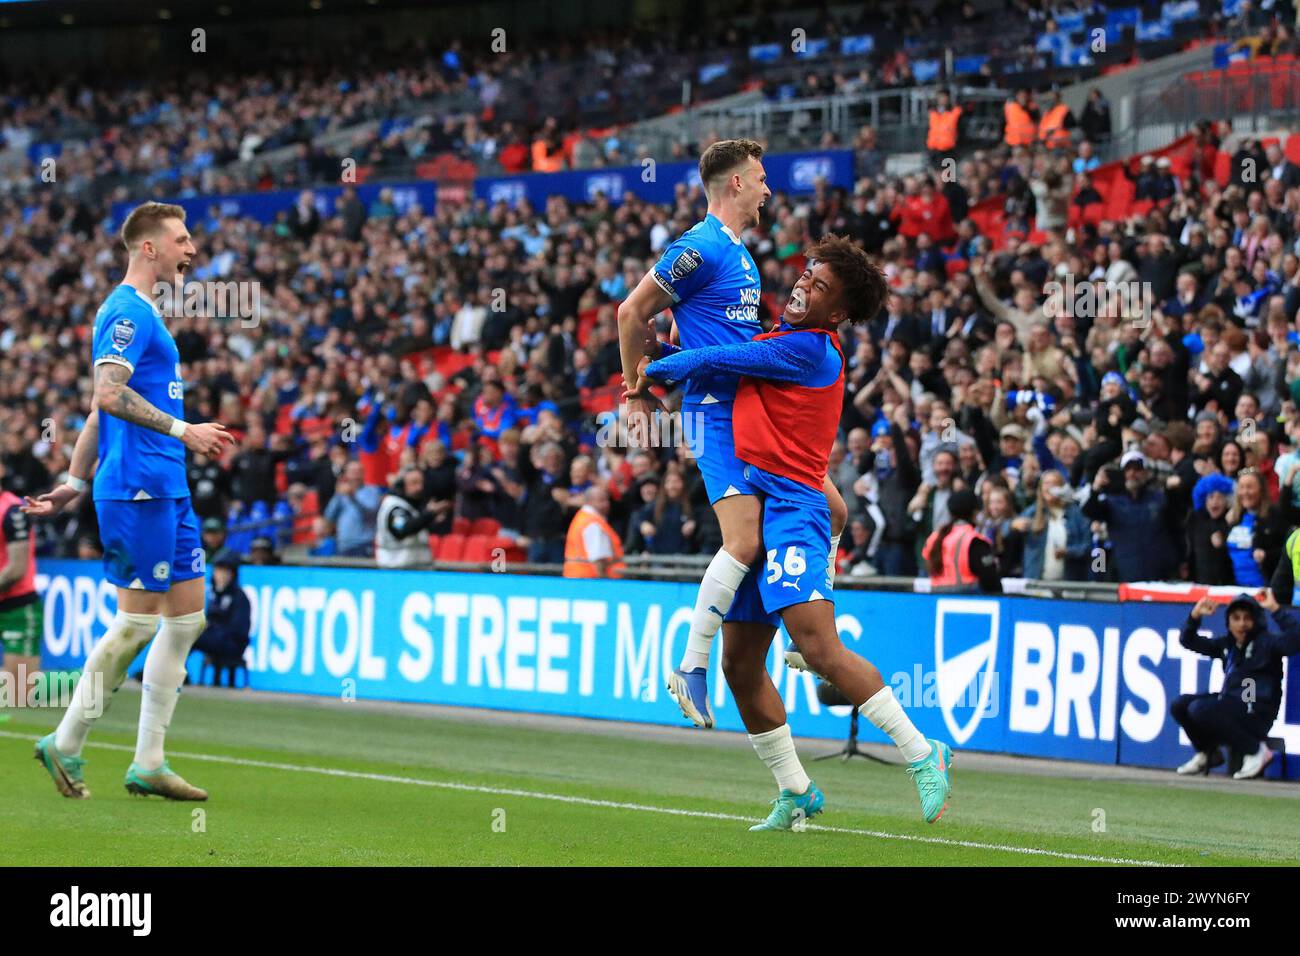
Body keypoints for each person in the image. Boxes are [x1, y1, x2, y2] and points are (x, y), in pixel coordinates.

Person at [640, 235, 953, 828]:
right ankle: (797, 790)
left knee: (819, 650)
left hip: (792, 511)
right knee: (743, 665)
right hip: (772, 500)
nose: (804, 285)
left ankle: (922, 752)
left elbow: (712, 361)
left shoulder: (810, 349)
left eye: (820, 285)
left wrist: (652, 367)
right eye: (807, 273)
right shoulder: (782, 338)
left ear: (837, 312)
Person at [617, 139, 847, 729]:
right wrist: (637, 393)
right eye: (762, 178)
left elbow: (704, 334)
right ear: (737, 184)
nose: (770, 189)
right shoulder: (699, 246)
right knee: (743, 541)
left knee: (834, 507)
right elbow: (630, 312)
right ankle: (692, 665)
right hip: (715, 408)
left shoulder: (740, 253)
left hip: (752, 407)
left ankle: (810, 628)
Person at [23, 201, 237, 800]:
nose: (191, 249)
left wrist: (72, 480)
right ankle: (64, 742)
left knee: (188, 619)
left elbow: (98, 410)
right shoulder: (123, 310)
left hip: (167, 486)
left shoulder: (149, 314)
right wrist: (183, 430)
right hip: (138, 487)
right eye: (182, 238)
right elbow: (109, 394)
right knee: (136, 624)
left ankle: (149, 760)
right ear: (150, 248)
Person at [1172, 590, 1300, 779]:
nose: (1242, 624)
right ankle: (1207, 752)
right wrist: (1195, 615)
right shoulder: (1228, 646)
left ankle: (1256, 750)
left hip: (1256, 708)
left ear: (1256, 620)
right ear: (1229, 622)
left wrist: (1275, 609)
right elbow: (1187, 640)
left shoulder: (1266, 643)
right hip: (1231, 705)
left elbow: (1296, 639)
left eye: (1247, 618)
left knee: (1201, 709)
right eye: (1236, 618)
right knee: (1180, 705)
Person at [0, 472, 41, 721]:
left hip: (18, 605)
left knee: (20, 693)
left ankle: (83, 678)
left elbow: (16, 569)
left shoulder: (13, 511)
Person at [1014, 469, 1090, 581]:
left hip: (1069, 584)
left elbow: (1087, 547)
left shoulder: (1076, 513)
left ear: (1062, 488)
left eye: (1054, 483)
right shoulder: (1032, 512)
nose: (1049, 487)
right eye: (1046, 483)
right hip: (1037, 583)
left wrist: (1068, 552)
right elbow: (1006, 531)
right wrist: (1012, 525)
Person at [191, 549, 252, 687]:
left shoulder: (240, 598)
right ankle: (178, 674)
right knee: (185, 633)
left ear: (233, 574)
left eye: (226, 572)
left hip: (232, 643)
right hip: (216, 639)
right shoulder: (214, 594)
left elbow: (239, 629)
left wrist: (212, 628)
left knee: (192, 635)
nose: (222, 576)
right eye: (219, 571)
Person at [922, 489, 1002, 592]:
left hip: (936, 600)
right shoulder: (973, 540)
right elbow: (991, 580)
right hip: (968, 602)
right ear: (975, 512)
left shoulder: (935, 537)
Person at [375, 468, 439, 568]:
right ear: (402, 484)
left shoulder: (412, 506)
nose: (420, 487)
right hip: (396, 572)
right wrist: (429, 515)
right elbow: (403, 529)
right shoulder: (394, 506)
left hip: (415, 571)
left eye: (421, 483)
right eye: (414, 483)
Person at [562, 485, 624, 578]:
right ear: (589, 502)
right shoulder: (593, 523)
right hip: (591, 581)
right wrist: (604, 583)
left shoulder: (582, 518)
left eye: (607, 500)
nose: (606, 504)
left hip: (577, 579)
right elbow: (599, 559)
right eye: (601, 500)